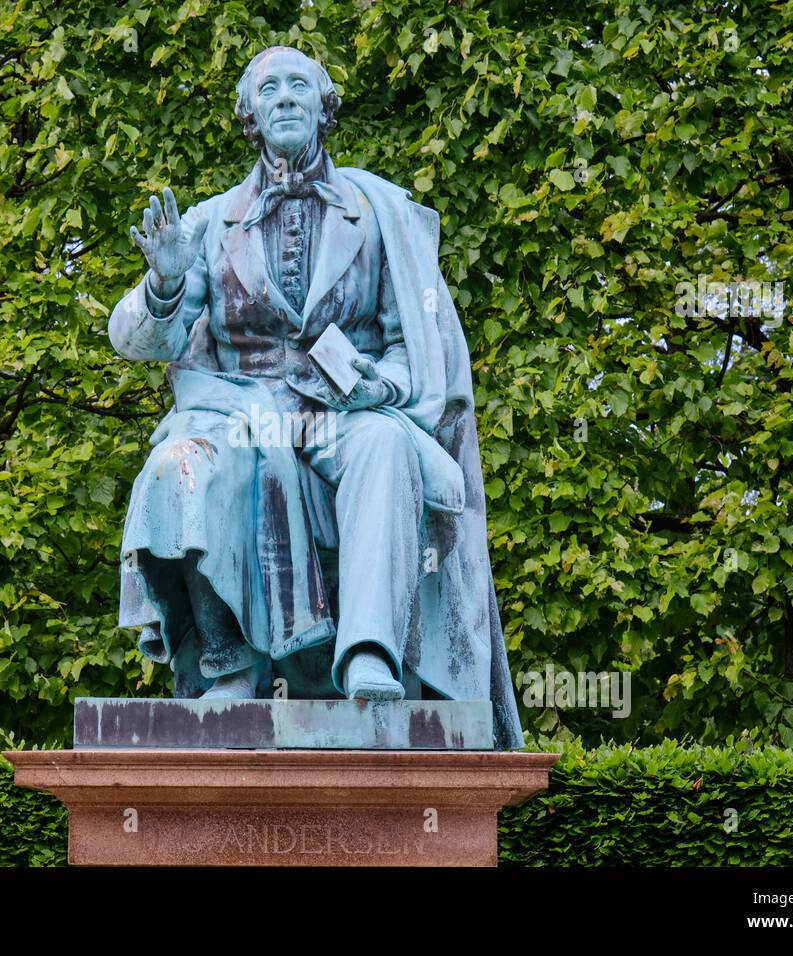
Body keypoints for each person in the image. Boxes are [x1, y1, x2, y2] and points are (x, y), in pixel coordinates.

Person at [109, 45, 523, 748]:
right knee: (178, 462)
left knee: (387, 444)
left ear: (325, 106)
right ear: (250, 115)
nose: (286, 98)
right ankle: (227, 662)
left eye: (300, 85)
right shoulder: (210, 222)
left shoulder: (379, 212)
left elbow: (410, 347)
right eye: (269, 89)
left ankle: (368, 651)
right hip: (239, 408)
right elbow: (137, 340)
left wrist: (376, 386)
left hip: (346, 414)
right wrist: (167, 284)